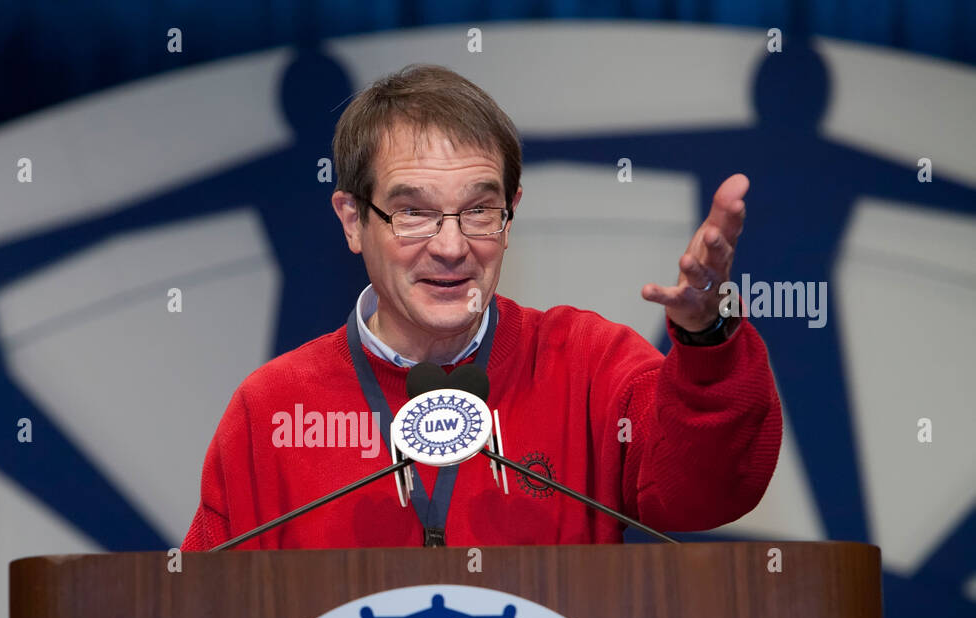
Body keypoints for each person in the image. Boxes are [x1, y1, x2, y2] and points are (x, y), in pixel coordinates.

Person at [181, 64, 781, 550]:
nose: (451, 246)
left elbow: (709, 490)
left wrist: (708, 337)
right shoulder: (273, 410)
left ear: (510, 213)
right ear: (352, 221)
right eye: (413, 211)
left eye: (478, 210)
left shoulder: (587, 366)